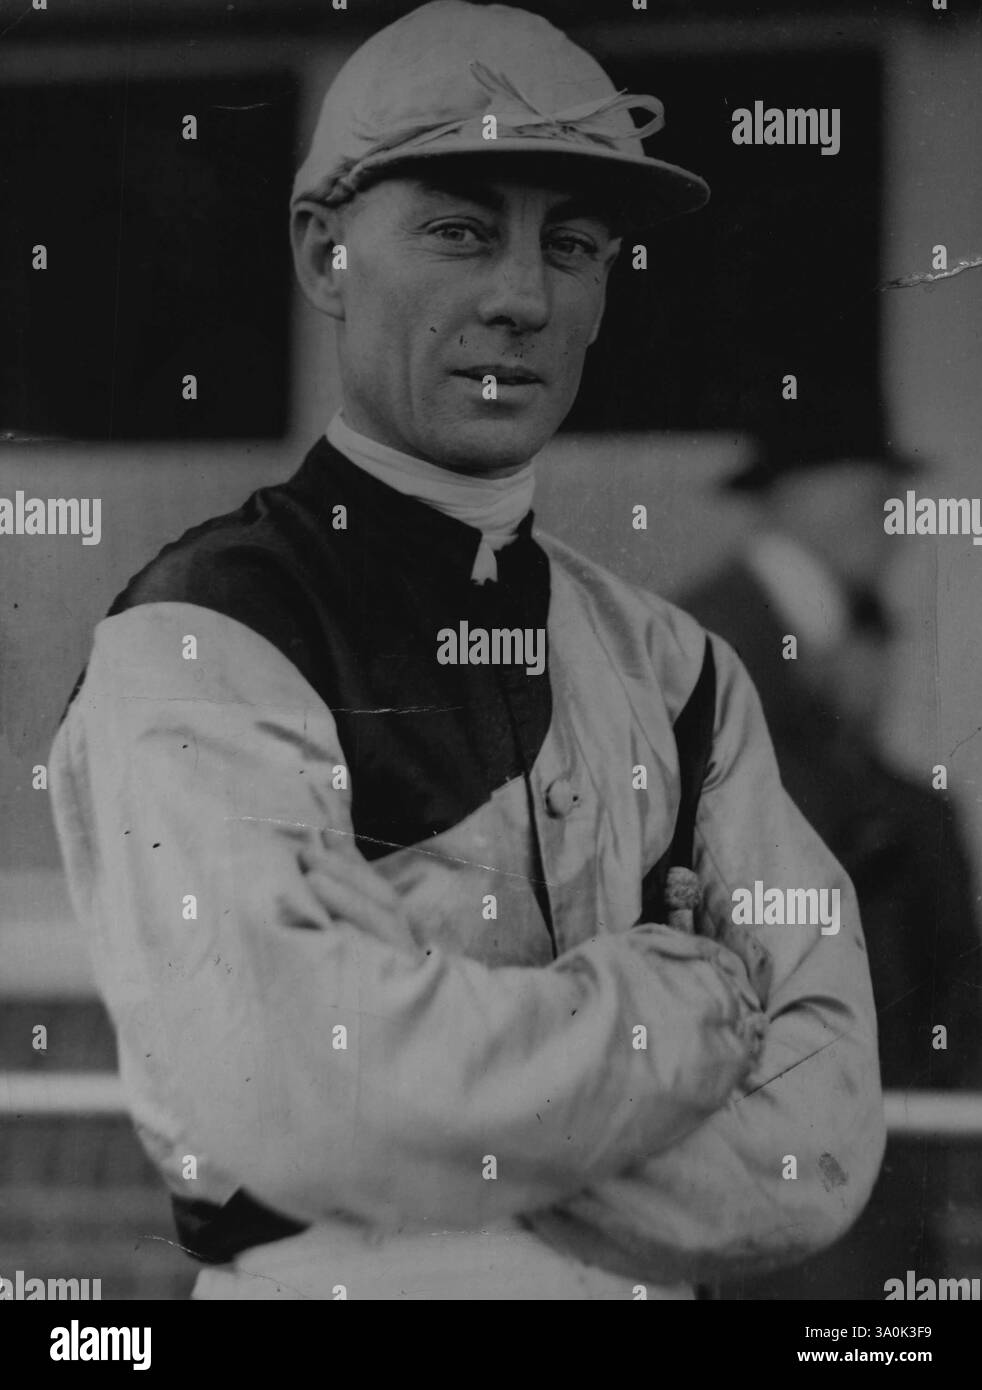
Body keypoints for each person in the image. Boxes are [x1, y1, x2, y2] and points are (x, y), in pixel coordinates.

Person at [48, 0, 884, 1301]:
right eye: (456, 230)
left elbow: (815, 1143)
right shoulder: (201, 632)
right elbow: (307, 1096)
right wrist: (681, 1006)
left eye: (572, 244)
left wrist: (452, 1104)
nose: (519, 296)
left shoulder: (674, 667)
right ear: (325, 253)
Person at [681, 437, 982, 1298]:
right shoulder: (716, 642)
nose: (887, 514)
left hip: (865, 1144)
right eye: (865, 483)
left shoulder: (913, 809)